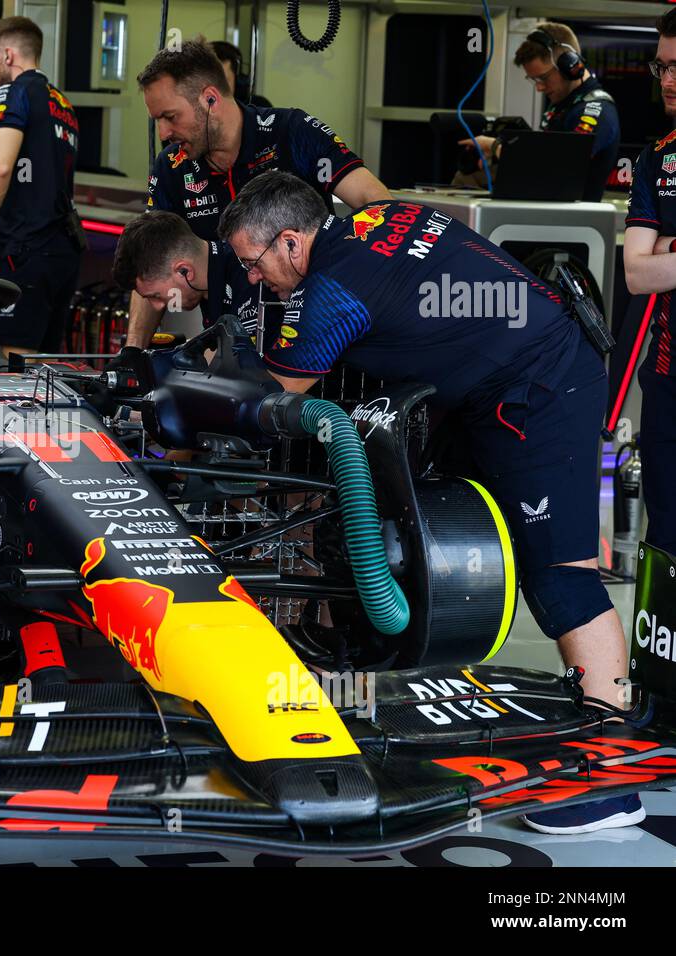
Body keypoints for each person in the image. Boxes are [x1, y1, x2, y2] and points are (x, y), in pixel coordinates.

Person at [222, 170, 638, 835]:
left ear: (293, 243)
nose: (252, 278)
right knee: (433, 539)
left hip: (543, 382)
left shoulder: (332, 287)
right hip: (491, 384)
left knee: (561, 577)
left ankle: (609, 774)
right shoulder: (378, 218)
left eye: (254, 262)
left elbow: (276, 394)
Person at [121, 40, 389, 352]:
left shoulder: (291, 132)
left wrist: (361, 289)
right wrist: (132, 354)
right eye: (157, 120)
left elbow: (377, 203)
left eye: (170, 116)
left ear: (209, 99)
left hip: (321, 339)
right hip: (236, 354)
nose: (164, 133)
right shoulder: (172, 168)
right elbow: (150, 262)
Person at [0, 16, 81, 356]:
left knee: (16, 365)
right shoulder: (61, 102)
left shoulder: (14, 90)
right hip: (63, 250)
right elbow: (14, 165)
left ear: (8, 55)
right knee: (44, 363)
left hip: (29, 247)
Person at [620, 6, 676, 562]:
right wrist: (659, 253)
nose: (668, 81)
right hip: (668, 380)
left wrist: (668, 248)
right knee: (666, 542)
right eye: (662, 67)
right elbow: (637, 272)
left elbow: (655, 257)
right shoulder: (658, 159)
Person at [460, 23, 619, 203]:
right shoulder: (563, 105)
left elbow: (555, 169)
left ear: (570, 64)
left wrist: (496, 147)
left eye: (543, 78)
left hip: (575, 225)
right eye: (534, 79)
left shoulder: (596, 110)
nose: (539, 87)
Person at [112, 210, 253, 331]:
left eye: (155, 296)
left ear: (184, 271)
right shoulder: (207, 283)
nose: (157, 306)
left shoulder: (250, 275)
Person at [209, 40, 271, 108]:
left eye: (222, 82)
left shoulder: (259, 108)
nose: (214, 90)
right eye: (208, 82)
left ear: (238, 80)